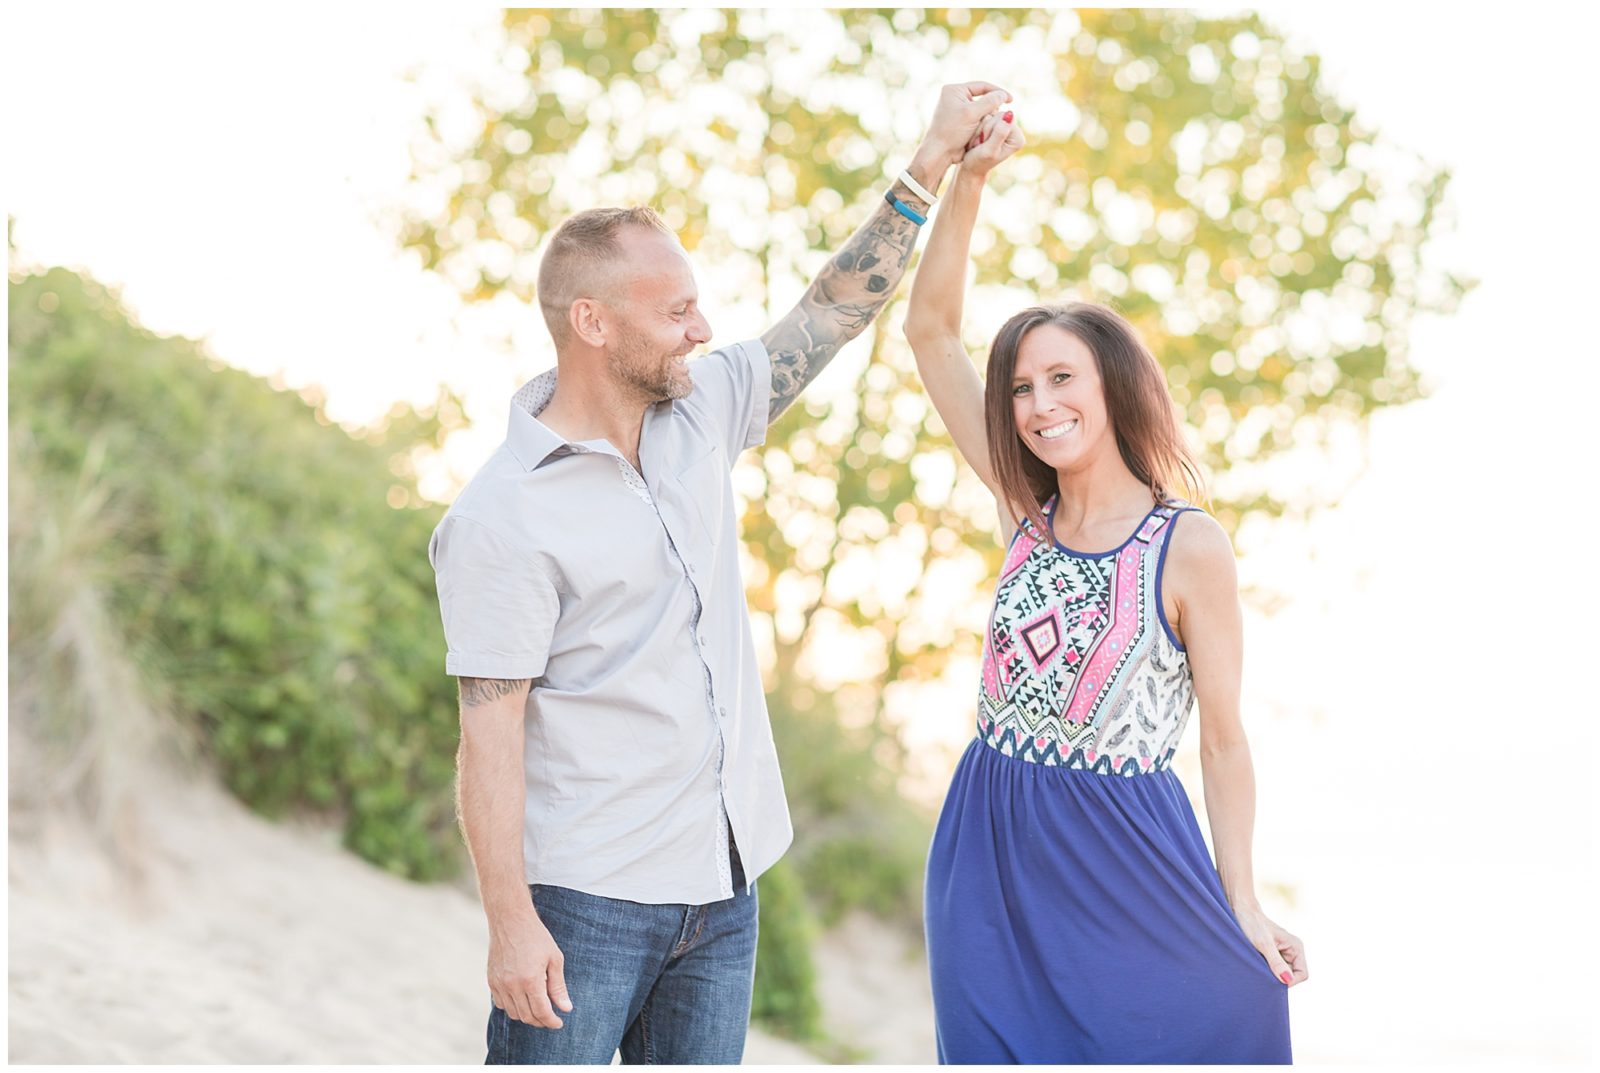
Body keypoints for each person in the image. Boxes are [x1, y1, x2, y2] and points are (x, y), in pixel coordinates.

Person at [427, 82, 1014, 1065]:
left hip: (724, 886)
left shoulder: (702, 413)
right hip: (587, 902)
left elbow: (832, 310)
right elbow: (488, 737)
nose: (702, 328)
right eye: (677, 310)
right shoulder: (502, 516)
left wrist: (930, 166)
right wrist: (510, 922)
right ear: (592, 323)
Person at [904, 112, 1306, 1063]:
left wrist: (1240, 895)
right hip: (988, 861)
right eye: (1020, 389)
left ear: (1113, 386)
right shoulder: (1021, 511)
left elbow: (1223, 738)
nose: (1039, 406)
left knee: (1216, 1018)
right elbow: (929, 330)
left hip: (1125, 861)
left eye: (1060, 379)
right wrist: (968, 184)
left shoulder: (1190, 545)